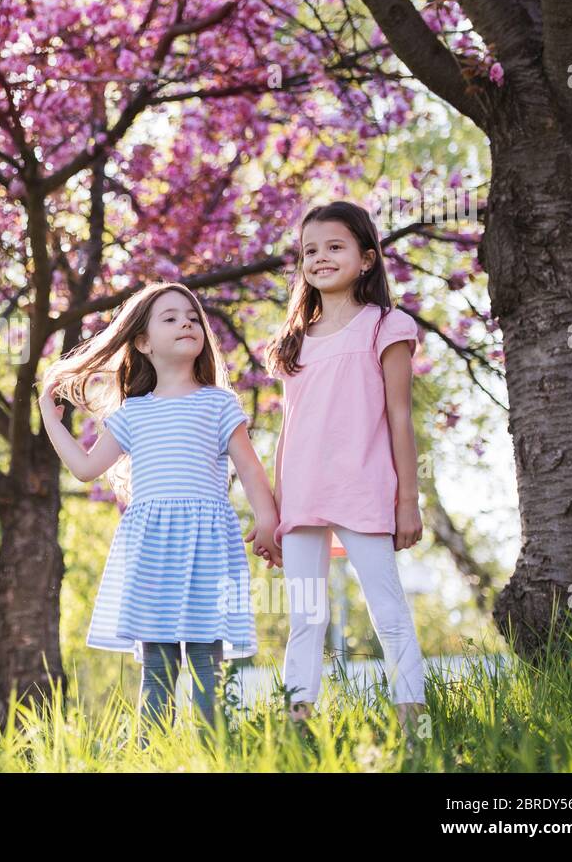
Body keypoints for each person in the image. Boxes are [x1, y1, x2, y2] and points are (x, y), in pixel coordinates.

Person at [38, 282, 280, 747]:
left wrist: (267, 521)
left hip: (208, 546)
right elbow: (86, 468)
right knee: (159, 665)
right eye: (170, 317)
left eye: (191, 316)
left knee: (208, 663)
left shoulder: (218, 402)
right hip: (151, 552)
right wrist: (51, 418)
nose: (186, 322)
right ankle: (153, 753)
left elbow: (250, 469)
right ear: (144, 343)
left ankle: (213, 751)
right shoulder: (134, 413)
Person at [259, 200, 428, 746]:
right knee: (305, 618)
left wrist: (408, 501)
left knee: (388, 611)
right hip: (303, 496)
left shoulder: (386, 325)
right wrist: (276, 512)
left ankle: (415, 725)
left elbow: (399, 416)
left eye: (335, 247)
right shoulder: (294, 342)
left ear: (367, 259)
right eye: (310, 250)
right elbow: (288, 432)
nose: (321, 258)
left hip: (364, 488)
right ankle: (296, 728)